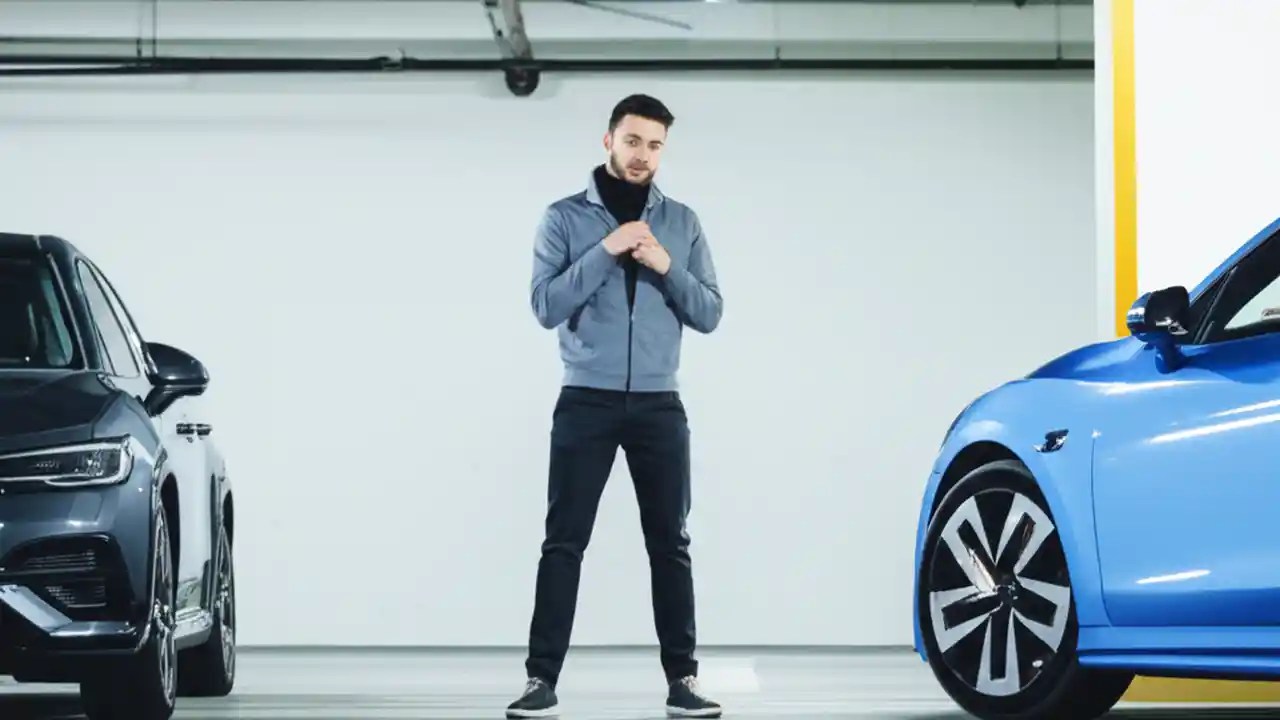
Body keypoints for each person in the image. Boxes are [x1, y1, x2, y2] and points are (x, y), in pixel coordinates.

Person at [507, 93, 724, 719]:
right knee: (564, 542)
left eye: (655, 145)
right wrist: (606, 250)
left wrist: (663, 264)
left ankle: (682, 681)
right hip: (586, 400)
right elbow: (545, 305)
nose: (642, 155)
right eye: (633, 141)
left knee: (670, 544)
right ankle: (539, 679)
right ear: (608, 141)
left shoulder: (681, 222)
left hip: (660, 404)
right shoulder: (564, 218)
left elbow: (709, 311)